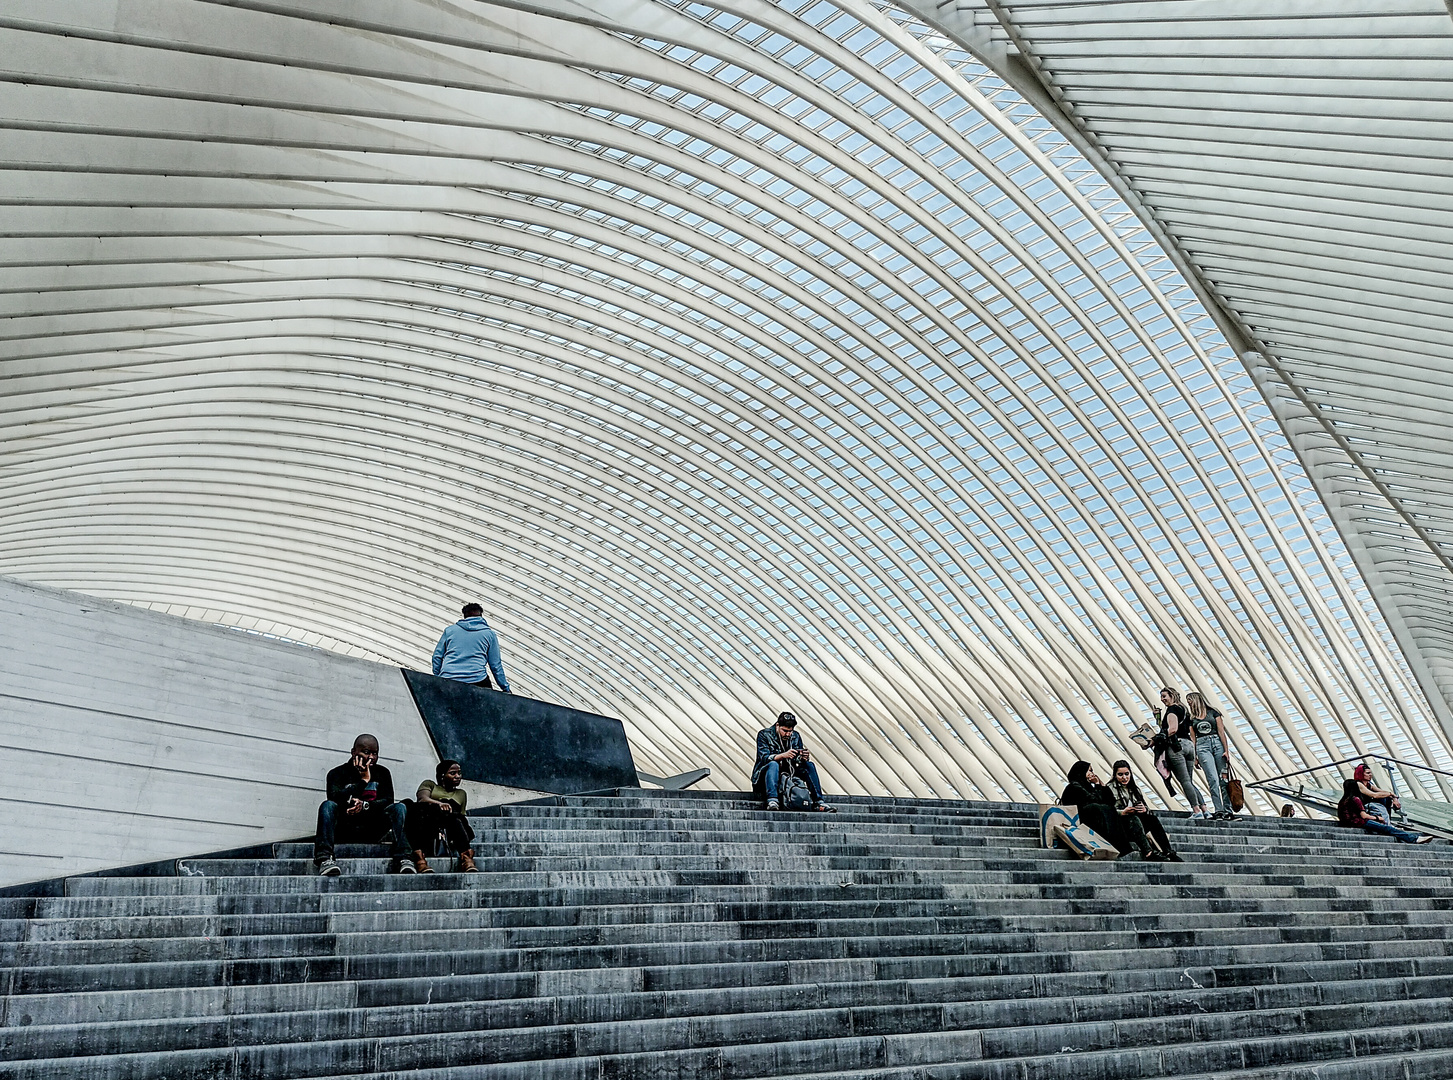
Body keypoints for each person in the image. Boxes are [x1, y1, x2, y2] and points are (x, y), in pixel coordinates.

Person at [313, 734, 414, 876]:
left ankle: (404, 858)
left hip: (372, 828)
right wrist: (364, 781)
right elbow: (335, 798)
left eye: (375, 753)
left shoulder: (382, 773)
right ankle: (325, 859)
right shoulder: (337, 773)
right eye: (366, 752)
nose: (371, 757)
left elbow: (388, 800)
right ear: (353, 752)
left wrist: (365, 805)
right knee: (327, 806)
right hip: (345, 828)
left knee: (399, 807)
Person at [405, 759, 478, 874]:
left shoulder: (461, 793)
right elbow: (422, 798)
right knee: (416, 809)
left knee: (455, 817)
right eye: (453, 773)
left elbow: (462, 815)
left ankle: (466, 858)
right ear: (442, 775)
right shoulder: (430, 784)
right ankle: (420, 859)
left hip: (449, 823)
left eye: (459, 773)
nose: (458, 776)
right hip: (427, 819)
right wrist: (440, 804)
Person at [752, 712, 833, 811]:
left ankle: (819, 801)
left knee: (809, 765)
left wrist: (802, 757)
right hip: (766, 777)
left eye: (790, 731)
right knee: (773, 764)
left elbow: (796, 760)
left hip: (789, 774)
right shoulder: (764, 735)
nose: (788, 734)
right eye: (785, 731)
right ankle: (772, 800)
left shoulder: (795, 736)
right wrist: (782, 755)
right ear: (777, 725)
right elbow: (764, 758)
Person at [1108, 760, 1182, 861]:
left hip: (1136, 822)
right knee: (1133, 819)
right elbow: (1108, 810)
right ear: (1115, 775)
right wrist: (1123, 812)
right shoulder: (1109, 788)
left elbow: (1146, 809)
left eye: (1126, 774)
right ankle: (1148, 852)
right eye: (1120, 774)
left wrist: (1144, 809)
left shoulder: (1135, 789)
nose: (1124, 777)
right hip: (1121, 823)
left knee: (1152, 819)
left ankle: (1168, 851)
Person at [431, 603, 511, 692]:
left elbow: (437, 657)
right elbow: (495, 665)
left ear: (464, 616)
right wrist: (505, 688)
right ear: (481, 615)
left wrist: (439, 677)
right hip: (477, 678)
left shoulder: (450, 631)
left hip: (448, 676)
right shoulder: (489, 634)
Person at [1156, 687, 1209, 820]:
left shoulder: (1172, 709)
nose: (1162, 699)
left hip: (1176, 746)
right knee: (1189, 781)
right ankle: (1205, 809)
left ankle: (1196, 810)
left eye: (1164, 696)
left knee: (1185, 781)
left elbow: (1172, 729)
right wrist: (1157, 717)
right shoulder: (1184, 709)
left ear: (1172, 695)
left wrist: (1157, 738)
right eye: (1161, 697)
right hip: (1188, 745)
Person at [1059, 761, 1130, 856]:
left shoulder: (1087, 786)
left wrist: (1101, 785)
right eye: (1090, 771)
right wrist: (1096, 785)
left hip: (1091, 818)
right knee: (1097, 808)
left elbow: (1110, 801)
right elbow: (1093, 799)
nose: (1092, 774)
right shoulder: (1074, 786)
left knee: (1106, 808)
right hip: (1079, 820)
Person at [1185, 691, 1235, 819]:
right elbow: (1193, 738)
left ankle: (1228, 810)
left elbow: (1221, 732)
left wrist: (1226, 750)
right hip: (1202, 746)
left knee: (1224, 779)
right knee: (1213, 779)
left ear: (1196, 700)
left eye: (1190, 700)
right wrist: (1195, 756)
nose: (1189, 703)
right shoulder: (1192, 719)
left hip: (1217, 743)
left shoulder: (1213, 712)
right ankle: (1218, 809)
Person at [1337, 778, 1431, 843]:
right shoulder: (1355, 799)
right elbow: (1364, 816)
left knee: (1387, 828)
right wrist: (1378, 818)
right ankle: (1414, 839)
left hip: (1348, 823)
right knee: (1387, 828)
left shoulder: (1342, 801)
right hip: (1359, 822)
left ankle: (1415, 836)